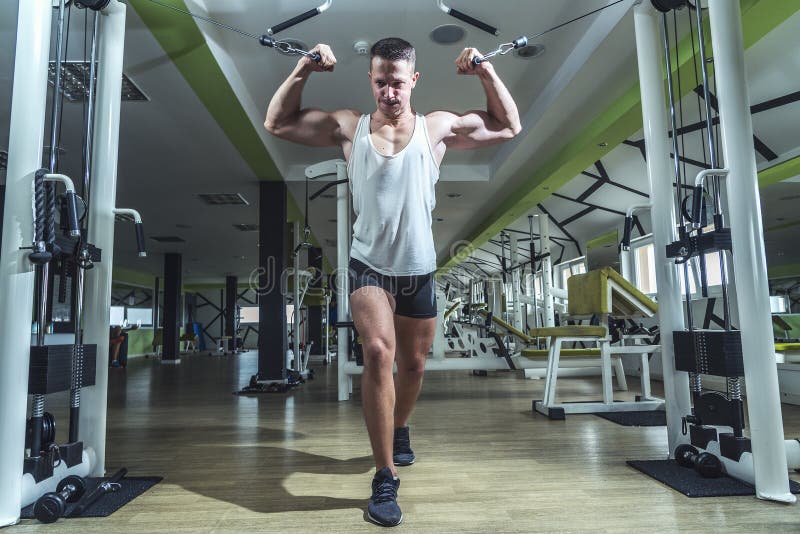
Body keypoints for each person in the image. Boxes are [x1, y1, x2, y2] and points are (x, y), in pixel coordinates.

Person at [265, 37, 520, 527]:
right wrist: (303, 68)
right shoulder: (349, 127)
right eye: (380, 82)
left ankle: (400, 428)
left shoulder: (436, 128)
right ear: (371, 81)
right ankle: (384, 477)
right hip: (367, 266)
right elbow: (276, 122)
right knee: (379, 353)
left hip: (419, 268)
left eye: (397, 82)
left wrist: (486, 69)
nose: (389, 92)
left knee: (415, 366)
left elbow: (509, 125)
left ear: (413, 81)